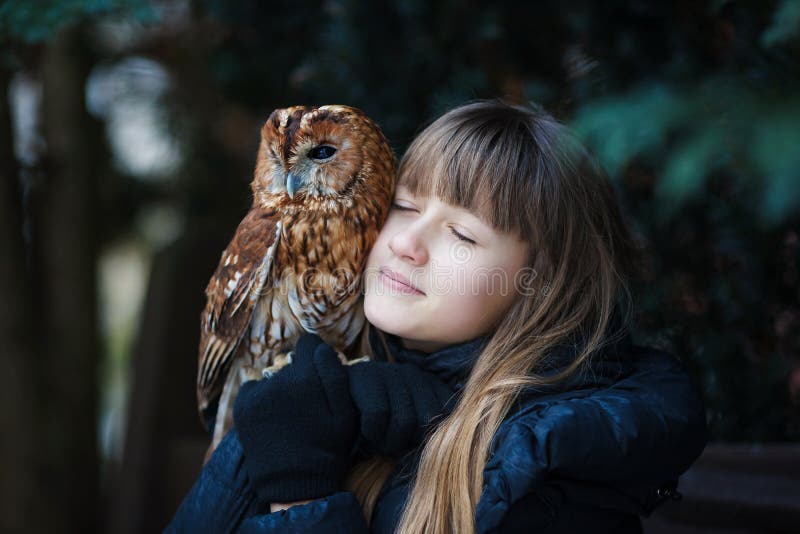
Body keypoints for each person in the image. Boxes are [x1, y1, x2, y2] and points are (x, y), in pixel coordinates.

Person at [167, 100, 707, 533]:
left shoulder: (547, 466)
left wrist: (299, 495)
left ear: (540, 281)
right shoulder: (334, 394)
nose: (406, 243)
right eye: (403, 205)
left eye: (463, 234)